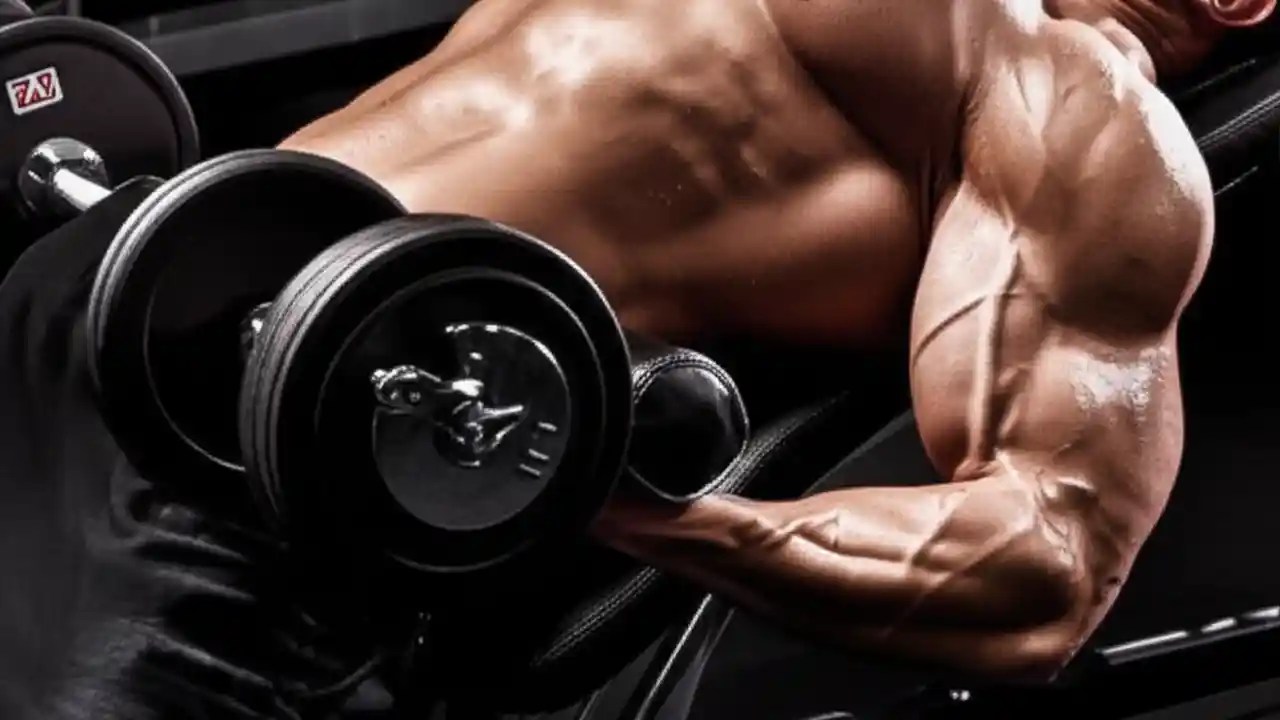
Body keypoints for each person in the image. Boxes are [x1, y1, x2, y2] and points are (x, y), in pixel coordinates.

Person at [277, 0, 1275, 683]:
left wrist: (592, 493)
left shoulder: (1079, 117)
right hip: (147, 282)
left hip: (268, 506)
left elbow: (1044, 563)